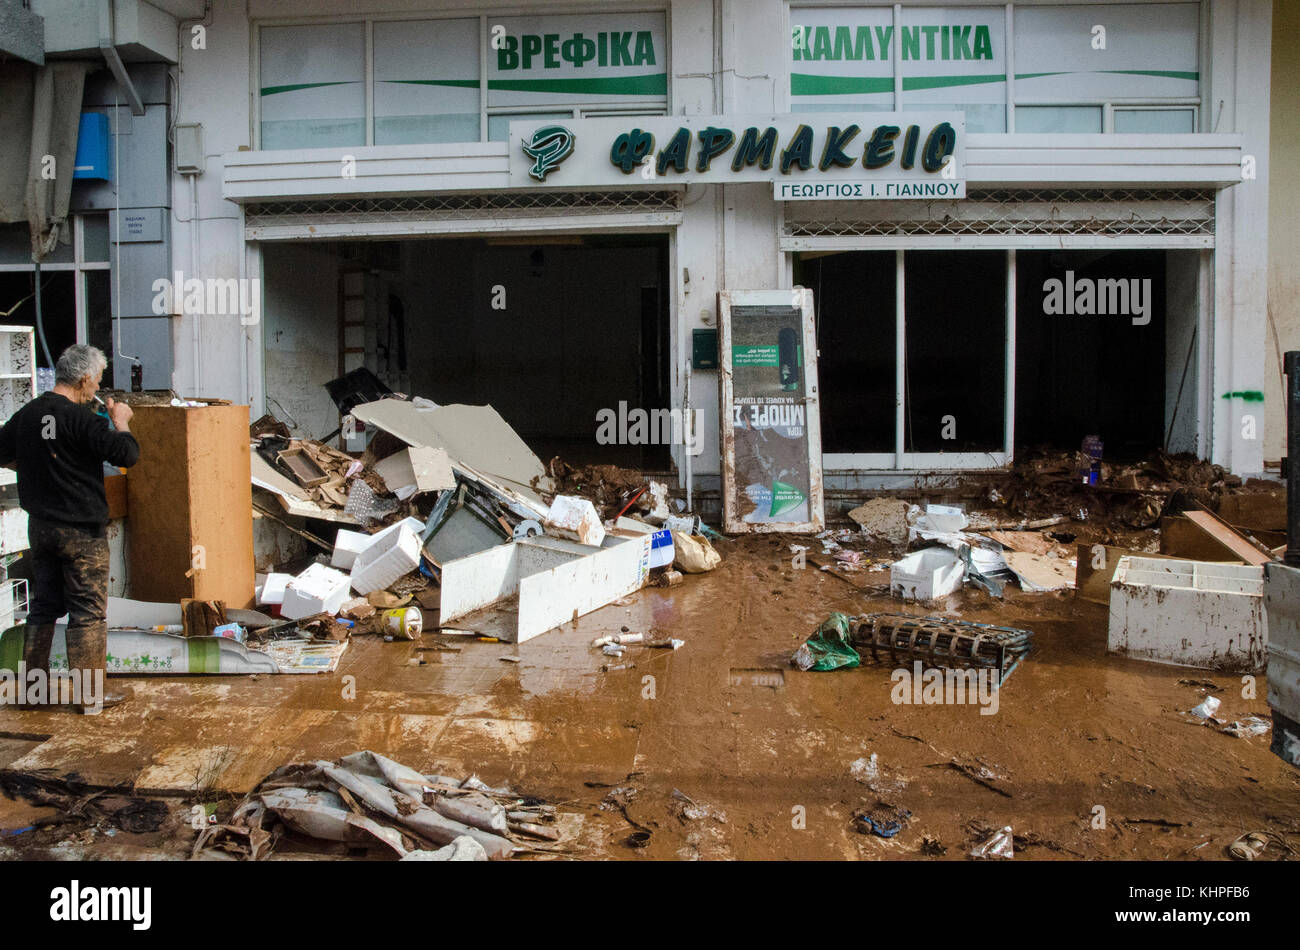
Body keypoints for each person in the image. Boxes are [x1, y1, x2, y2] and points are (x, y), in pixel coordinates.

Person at [0, 344, 139, 712]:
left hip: (42, 529)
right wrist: (120, 420)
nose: (97, 388)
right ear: (84, 378)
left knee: (43, 608)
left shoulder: (28, 415)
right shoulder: (84, 420)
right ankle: (91, 696)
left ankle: (33, 693)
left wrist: (36, 469)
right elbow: (127, 455)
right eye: (97, 380)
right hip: (81, 532)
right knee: (87, 612)